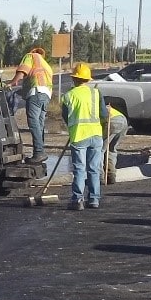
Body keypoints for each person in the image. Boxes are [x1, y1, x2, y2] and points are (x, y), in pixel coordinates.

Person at [60, 62, 105, 210]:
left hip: (79, 136)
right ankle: (94, 200)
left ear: (74, 79)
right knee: (93, 169)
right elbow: (104, 114)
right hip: (96, 135)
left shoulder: (68, 96)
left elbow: (66, 117)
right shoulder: (96, 93)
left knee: (79, 169)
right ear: (88, 80)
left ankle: (77, 200)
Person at [8, 46, 53, 162]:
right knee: (39, 124)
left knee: (33, 123)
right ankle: (39, 152)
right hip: (46, 96)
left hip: (36, 93)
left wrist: (11, 83)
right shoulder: (46, 65)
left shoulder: (30, 56)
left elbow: (22, 71)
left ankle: (39, 152)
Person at [105, 101, 128, 184]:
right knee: (111, 149)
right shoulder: (96, 104)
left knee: (99, 150)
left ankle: (98, 177)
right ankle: (111, 175)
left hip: (111, 121)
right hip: (122, 120)